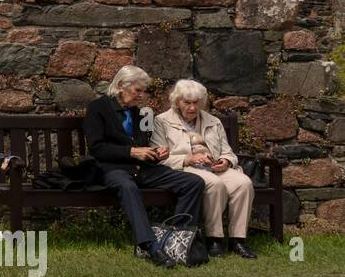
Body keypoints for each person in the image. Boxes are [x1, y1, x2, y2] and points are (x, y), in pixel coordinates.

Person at [83, 65, 203, 266]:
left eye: (143, 91)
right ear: (121, 86)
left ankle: (176, 241)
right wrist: (131, 152)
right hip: (111, 169)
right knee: (128, 187)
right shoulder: (98, 108)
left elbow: (142, 146)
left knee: (193, 182)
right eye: (137, 90)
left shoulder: (140, 113)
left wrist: (156, 155)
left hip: (141, 169)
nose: (141, 95)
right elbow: (96, 148)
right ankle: (151, 246)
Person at [152, 80, 256, 259]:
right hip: (185, 169)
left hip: (214, 168)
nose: (192, 108)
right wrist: (187, 158)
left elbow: (228, 152)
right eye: (187, 103)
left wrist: (225, 161)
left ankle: (237, 240)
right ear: (177, 102)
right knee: (214, 184)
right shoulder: (162, 121)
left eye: (196, 103)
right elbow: (160, 156)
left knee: (243, 183)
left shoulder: (213, 121)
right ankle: (214, 239)